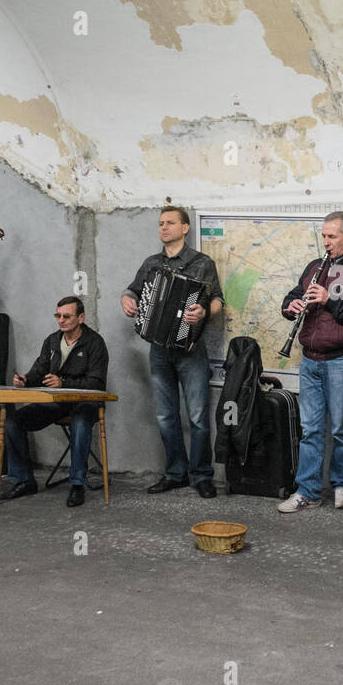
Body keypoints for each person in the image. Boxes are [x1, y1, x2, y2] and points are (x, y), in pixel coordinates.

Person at [276, 213, 343, 513]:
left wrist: (329, 300)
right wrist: (290, 305)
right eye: (324, 236)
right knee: (310, 429)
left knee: (341, 429)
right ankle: (307, 491)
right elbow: (294, 295)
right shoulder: (314, 267)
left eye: (332, 237)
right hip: (309, 361)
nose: (326, 242)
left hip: (340, 361)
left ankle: (341, 486)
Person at [121, 205, 224, 499]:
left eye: (170, 223)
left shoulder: (202, 263)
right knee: (166, 416)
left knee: (198, 417)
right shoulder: (152, 263)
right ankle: (176, 473)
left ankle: (202, 475)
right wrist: (126, 300)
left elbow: (217, 300)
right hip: (158, 349)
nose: (164, 227)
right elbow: (132, 291)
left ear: (185, 228)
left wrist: (203, 311)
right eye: (161, 223)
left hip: (190, 349)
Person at [0, 297, 109, 508]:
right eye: (58, 315)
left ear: (81, 317)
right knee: (13, 422)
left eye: (66, 316)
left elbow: (97, 382)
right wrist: (24, 380)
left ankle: (77, 483)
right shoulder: (52, 341)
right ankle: (24, 480)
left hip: (87, 403)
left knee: (80, 421)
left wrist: (64, 382)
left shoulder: (95, 342)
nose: (61, 320)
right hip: (56, 402)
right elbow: (39, 371)